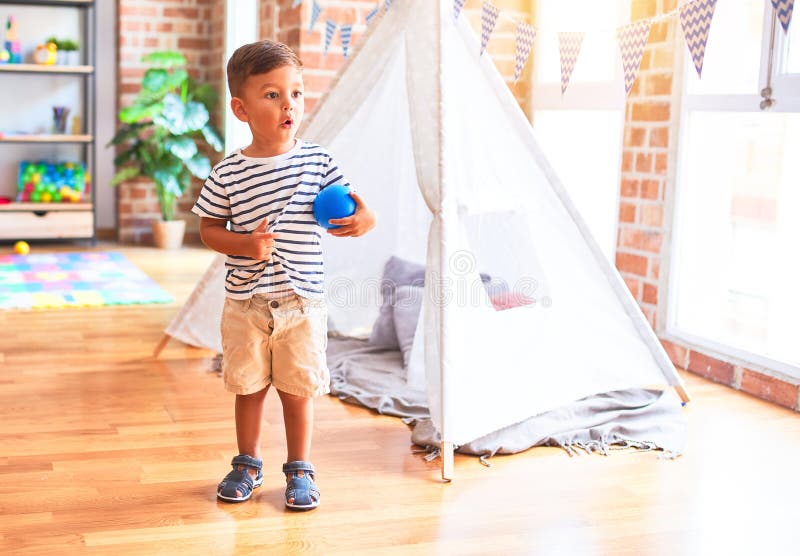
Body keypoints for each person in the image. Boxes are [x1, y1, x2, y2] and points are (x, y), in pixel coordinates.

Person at [192, 40, 376, 510]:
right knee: (249, 387)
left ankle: (299, 469)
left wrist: (364, 218)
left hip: (302, 303)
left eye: (295, 93)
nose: (288, 104)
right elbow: (208, 229)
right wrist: (244, 245)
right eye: (272, 95)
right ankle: (247, 464)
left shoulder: (318, 162)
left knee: (298, 390)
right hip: (246, 303)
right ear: (241, 108)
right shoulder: (228, 173)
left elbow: (354, 206)